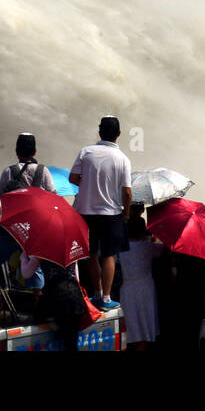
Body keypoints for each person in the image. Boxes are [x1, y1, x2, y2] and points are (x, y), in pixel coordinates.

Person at [69, 115, 133, 310]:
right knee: (109, 255)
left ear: (99, 131)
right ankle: (106, 297)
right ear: (119, 134)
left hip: (85, 211)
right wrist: (126, 212)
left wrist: (89, 185)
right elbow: (127, 192)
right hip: (111, 213)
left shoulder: (86, 152)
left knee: (92, 254)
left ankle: (96, 293)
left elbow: (73, 177)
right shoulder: (122, 159)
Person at [0, 133, 56, 287]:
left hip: (12, 228)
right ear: (35, 151)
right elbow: (53, 197)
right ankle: (36, 301)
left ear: (16, 151)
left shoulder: (8, 171)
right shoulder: (43, 171)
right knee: (33, 266)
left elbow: (0, 197)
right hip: (34, 230)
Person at [116, 214, 162, 350]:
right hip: (146, 288)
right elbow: (164, 249)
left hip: (127, 289)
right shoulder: (148, 247)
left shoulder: (120, 249)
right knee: (145, 324)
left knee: (131, 325)